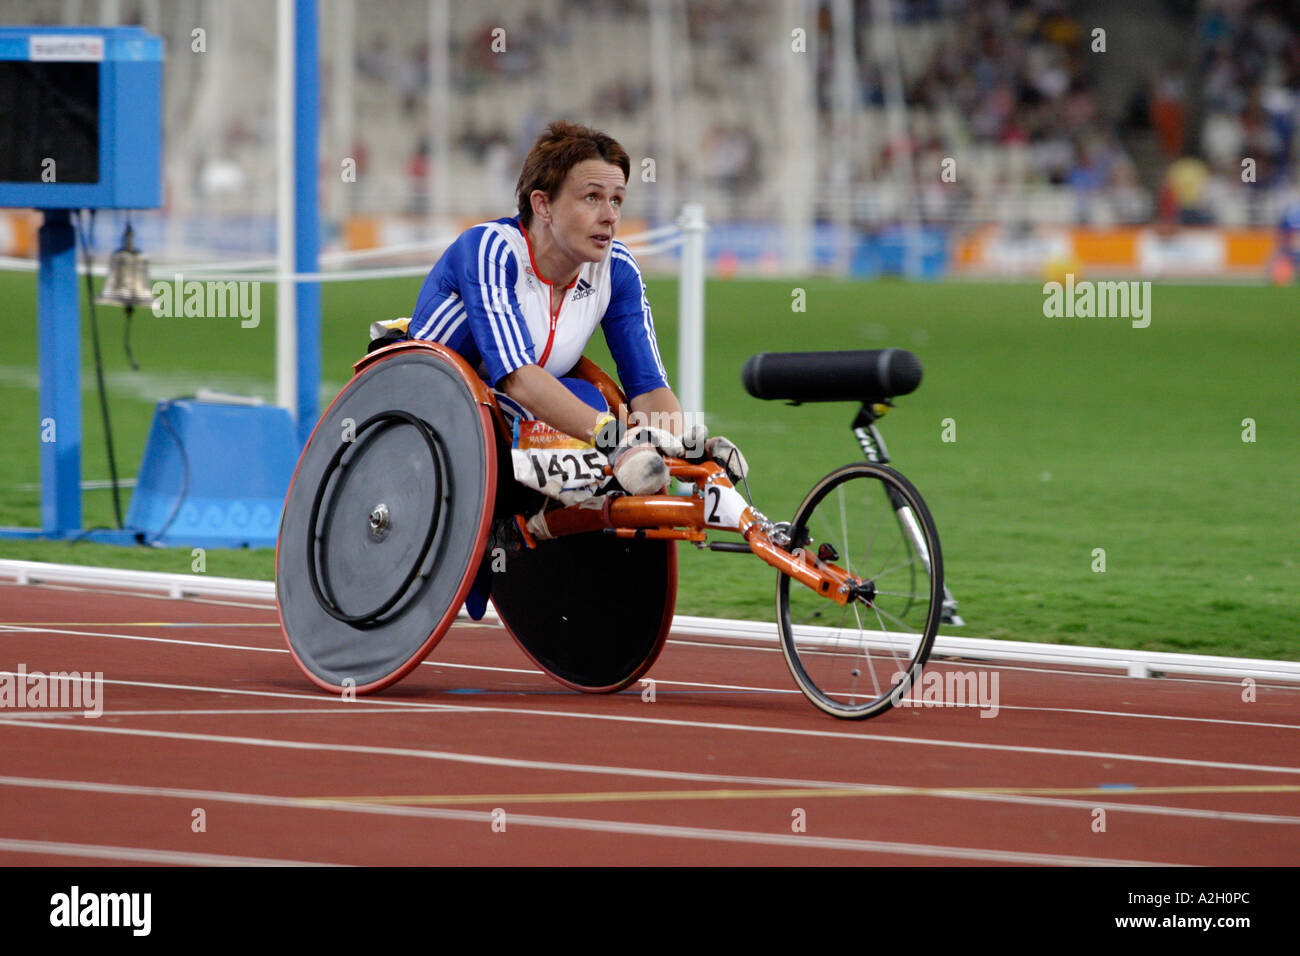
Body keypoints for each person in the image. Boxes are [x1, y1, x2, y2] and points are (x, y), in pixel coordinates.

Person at [401, 120, 746, 499]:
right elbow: (517, 379)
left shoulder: (617, 269)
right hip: (430, 408)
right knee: (581, 414)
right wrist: (615, 440)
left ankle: (542, 525)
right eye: (592, 198)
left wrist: (687, 450)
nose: (610, 216)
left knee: (590, 398)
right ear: (543, 204)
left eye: (616, 200)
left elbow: (648, 388)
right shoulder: (491, 250)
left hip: (518, 414)